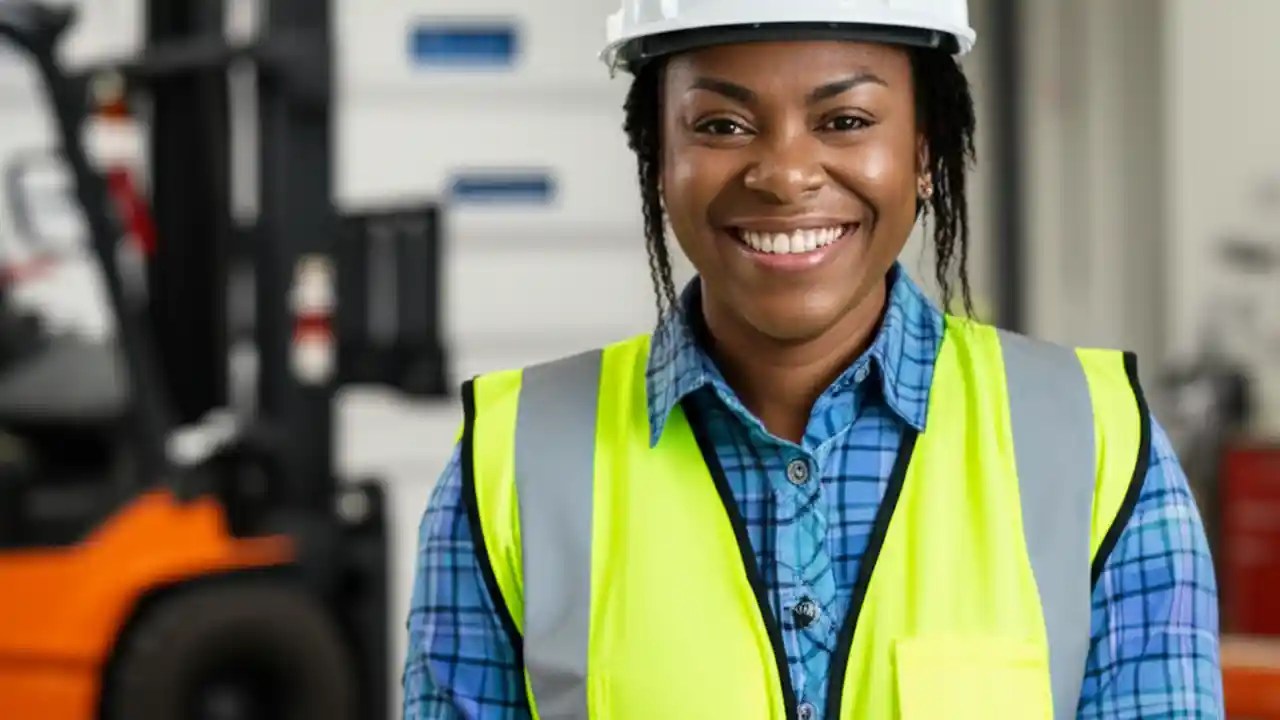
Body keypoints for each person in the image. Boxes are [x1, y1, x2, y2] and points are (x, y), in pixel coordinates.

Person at [402, 1, 1223, 717]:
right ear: (660, 160)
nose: (785, 174)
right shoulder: (510, 464)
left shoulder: (1100, 447)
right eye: (722, 125)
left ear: (924, 152)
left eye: (846, 121)